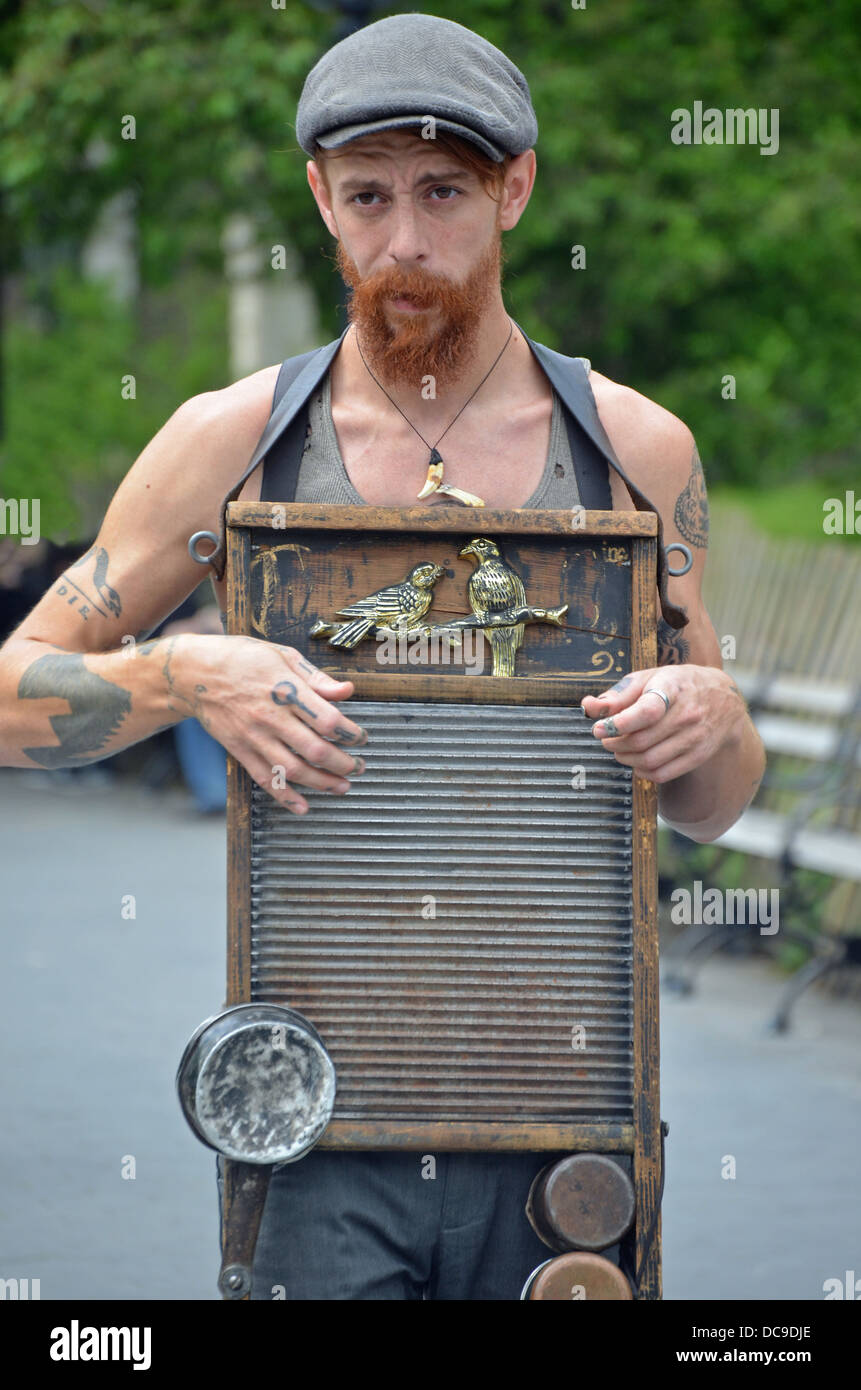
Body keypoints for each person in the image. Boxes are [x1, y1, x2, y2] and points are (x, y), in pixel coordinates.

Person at [0, 14, 765, 1298]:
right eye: (368, 196)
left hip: (565, 1125)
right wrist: (186, 672)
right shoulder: (233, 442)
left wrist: (711, 714)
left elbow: (715, 804)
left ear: (516, 188)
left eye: (444, 194)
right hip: (313, 1130)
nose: (405, 241)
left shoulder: (638, 452)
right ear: (321, 198)